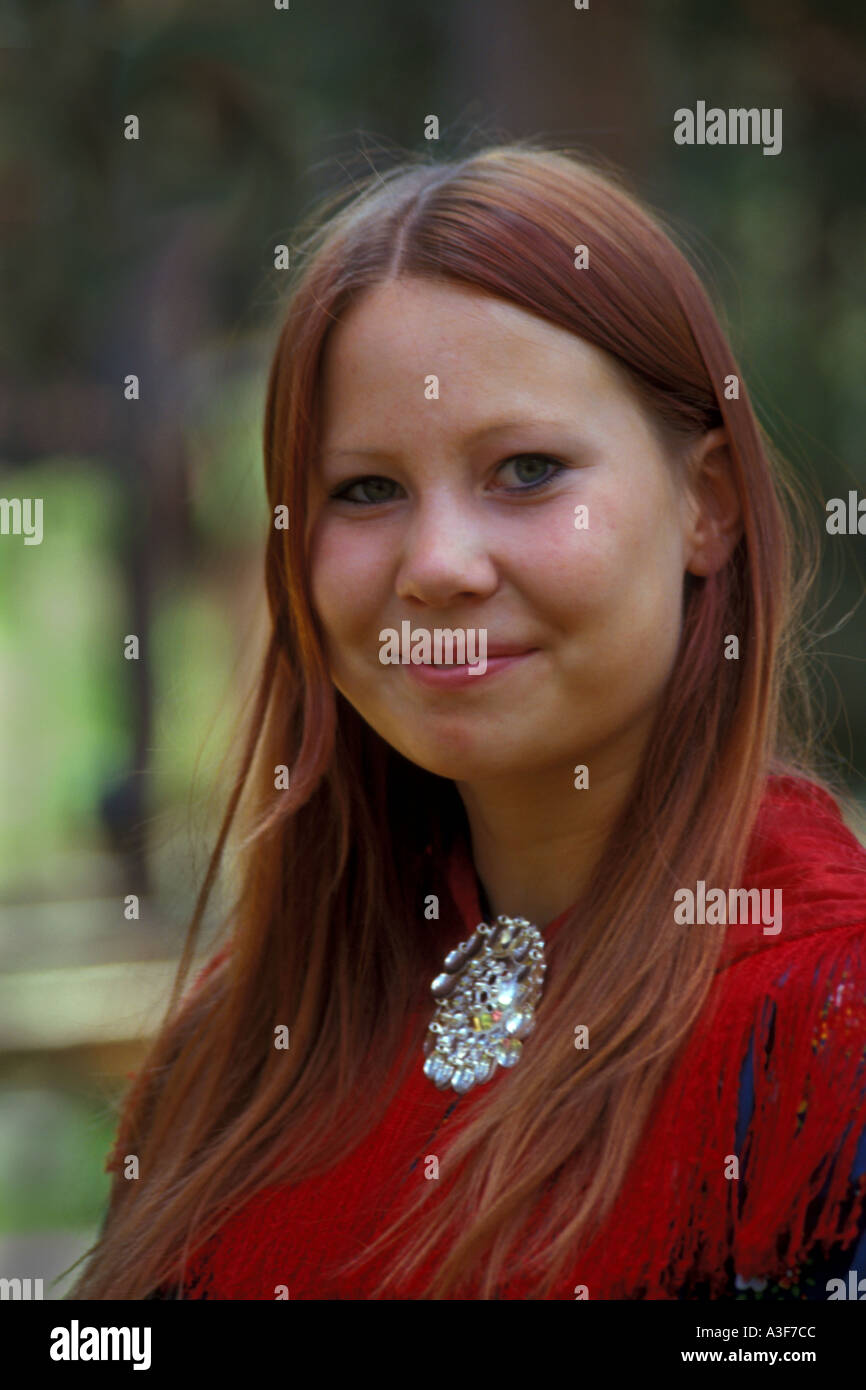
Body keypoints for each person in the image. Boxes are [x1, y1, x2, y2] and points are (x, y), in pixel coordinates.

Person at [66, 142, 866, 1300]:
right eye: (366, 490)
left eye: (526, 470)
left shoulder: (818, 1032)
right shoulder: (247, 1036)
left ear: (707, 508)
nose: (435, 565)